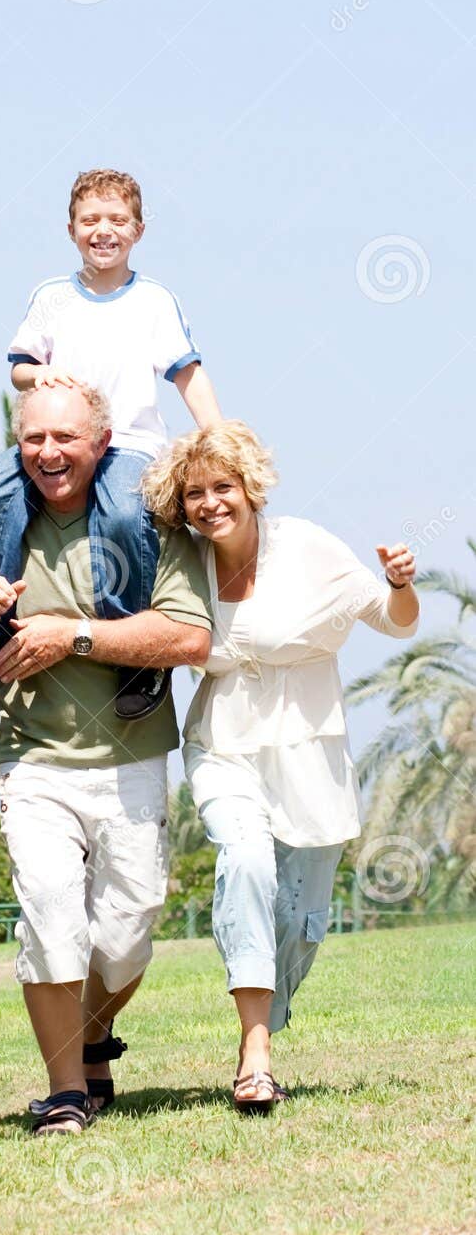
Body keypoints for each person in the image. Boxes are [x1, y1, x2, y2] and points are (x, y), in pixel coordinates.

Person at [0, 383, 213, 1135]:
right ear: (15, 443)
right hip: (34, 760)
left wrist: (68, 633)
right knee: (50, 916)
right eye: (33, 440)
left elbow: (188, 638)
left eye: (66, 439)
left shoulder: (149, 521)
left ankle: (90, 1035)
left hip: (133, 755)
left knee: (126, 933)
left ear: (103, 441)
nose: (49, 454)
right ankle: (64, 1090)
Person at [141, 421, 420, 1112]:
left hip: (310, 750)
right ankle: (254, 1053)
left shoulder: (306, 546)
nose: (209, 503)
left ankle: (271, 1008)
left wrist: (398, 583)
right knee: (246, 862)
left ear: (250, 487)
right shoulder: (184, 563)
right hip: (223, 743)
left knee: (303, 919)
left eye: (222, 487)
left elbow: (394, 621)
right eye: (195, 492)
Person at [8, 167, 222, 454]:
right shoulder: (50, 296)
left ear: (138, 231)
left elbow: (188, 376)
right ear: (72, 231)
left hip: (129, 444)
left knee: (125, 500)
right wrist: (39, 374)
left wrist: (221, 440)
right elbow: (20, 371)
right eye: (90, 220)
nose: (104, 230)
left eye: (119, 221)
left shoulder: (155, 300)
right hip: (58, 443)